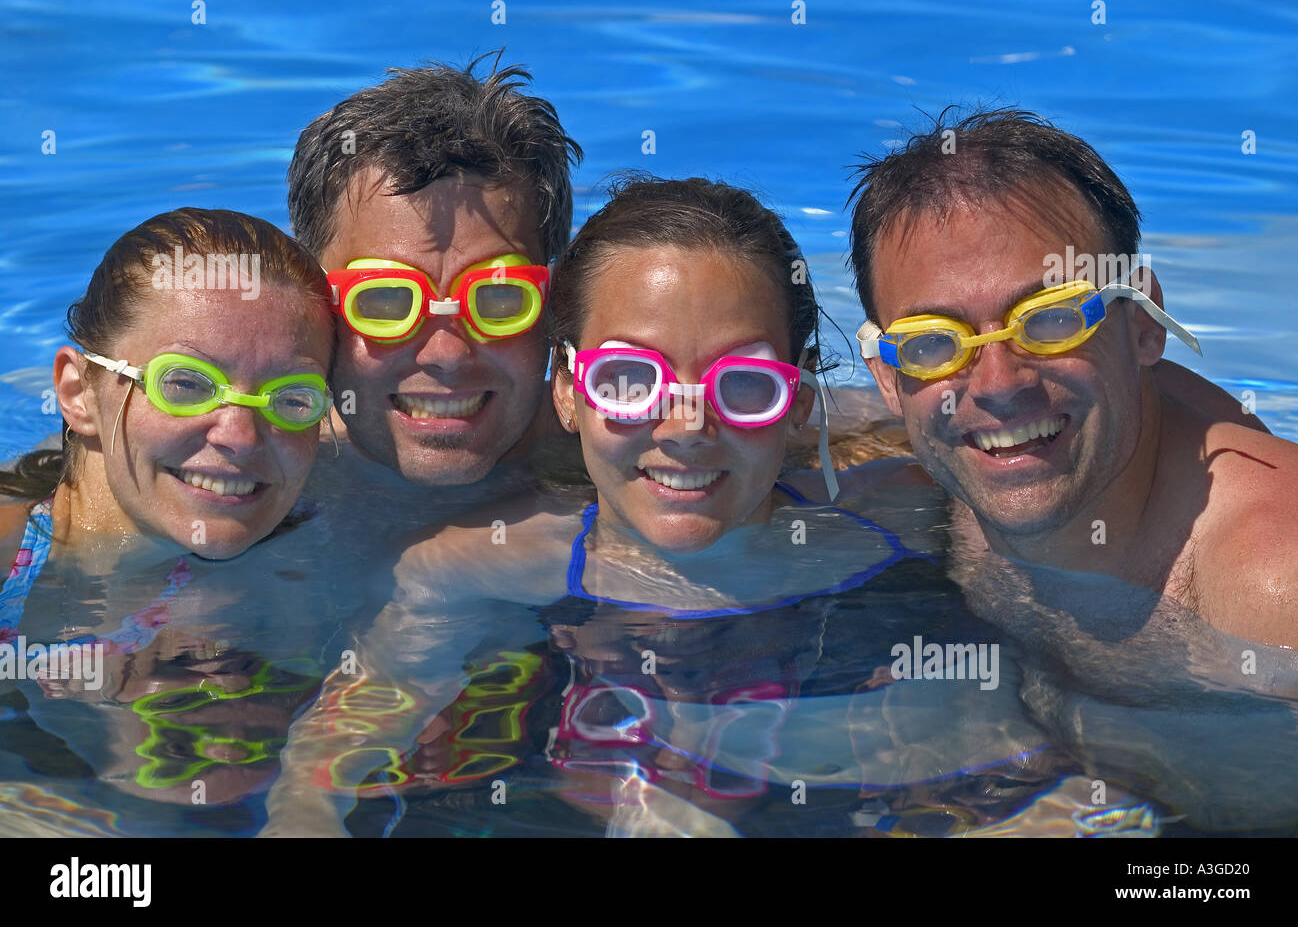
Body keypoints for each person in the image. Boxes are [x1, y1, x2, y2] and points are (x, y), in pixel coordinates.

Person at [262, 178, 1054, 837]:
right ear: (570, 394)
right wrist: (303, 813)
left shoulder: (905, 519)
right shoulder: (481, 562)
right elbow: (363, 714)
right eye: (628, 381)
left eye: (742, 386)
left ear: (795, 401)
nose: (686, 431)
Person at [848, 109, 1298, 648]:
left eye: (1051, 319)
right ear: (888, 378)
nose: (998, 384)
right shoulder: (927, 473)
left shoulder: (1274, 585)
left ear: (1142, 324)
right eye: (934, 343)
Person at [0, 207, 333, 637]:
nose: (242, 437)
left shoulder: (318, 552)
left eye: (290, 398)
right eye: (187, 384)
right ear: (78, 393)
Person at [286, 55, 582, 511]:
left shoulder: (643, 474)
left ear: (558, 303)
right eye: (385, 300)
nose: (446, 355)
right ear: (307, 294)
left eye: (498, 298)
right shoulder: (246, 471)